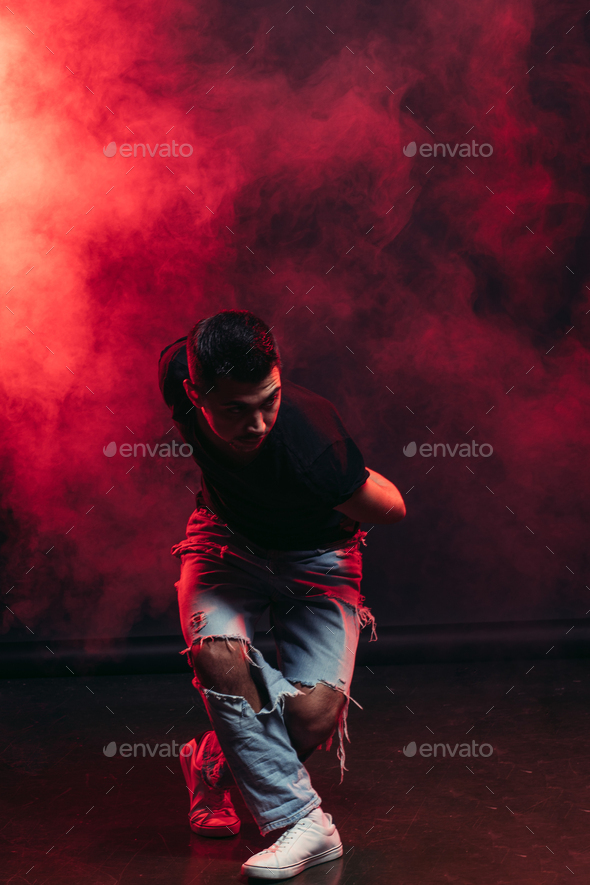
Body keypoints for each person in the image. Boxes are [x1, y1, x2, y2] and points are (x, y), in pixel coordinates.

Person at [158, 310, 406, 880]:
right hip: (224, 542)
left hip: (319, 559)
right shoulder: (178, 374)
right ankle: (302, 823)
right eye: (235, 409)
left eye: (268, 400)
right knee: (216, 651)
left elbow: (391, 508)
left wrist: (348, 480)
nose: (257, 422)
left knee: (314, 717)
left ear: (280, 375)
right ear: (194, 393)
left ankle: (212, 762)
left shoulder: (311, 442)